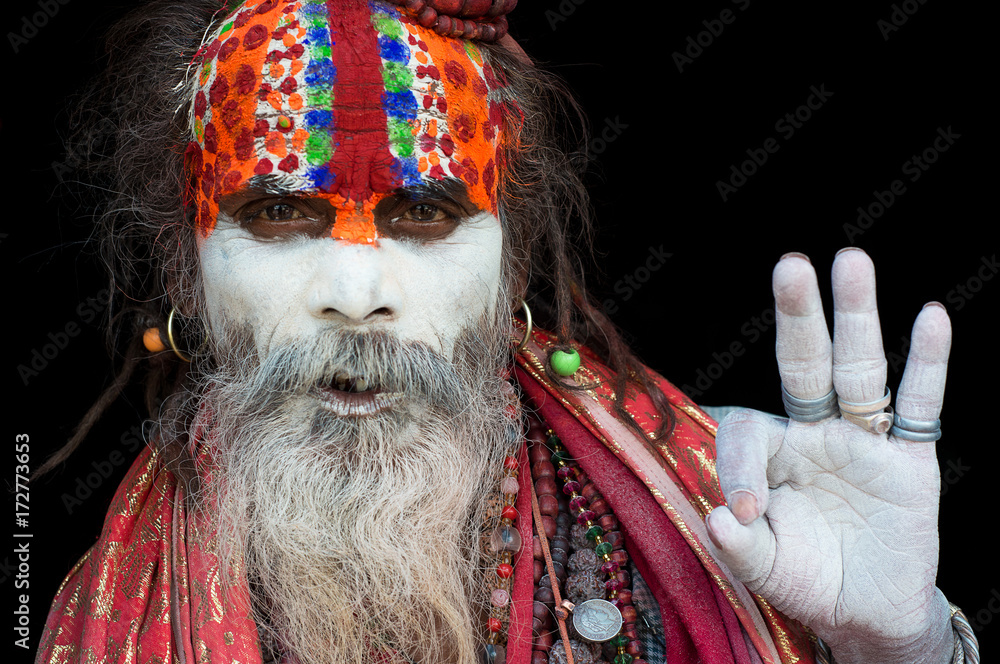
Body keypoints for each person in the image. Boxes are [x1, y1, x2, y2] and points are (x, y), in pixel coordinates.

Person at [23, 1, 985, 663]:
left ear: (512, 266)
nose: (356, 293)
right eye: (277, 214)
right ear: (185, 267)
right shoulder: (106, 610)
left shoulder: (728, 511)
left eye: (424, 214)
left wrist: (896, 646)